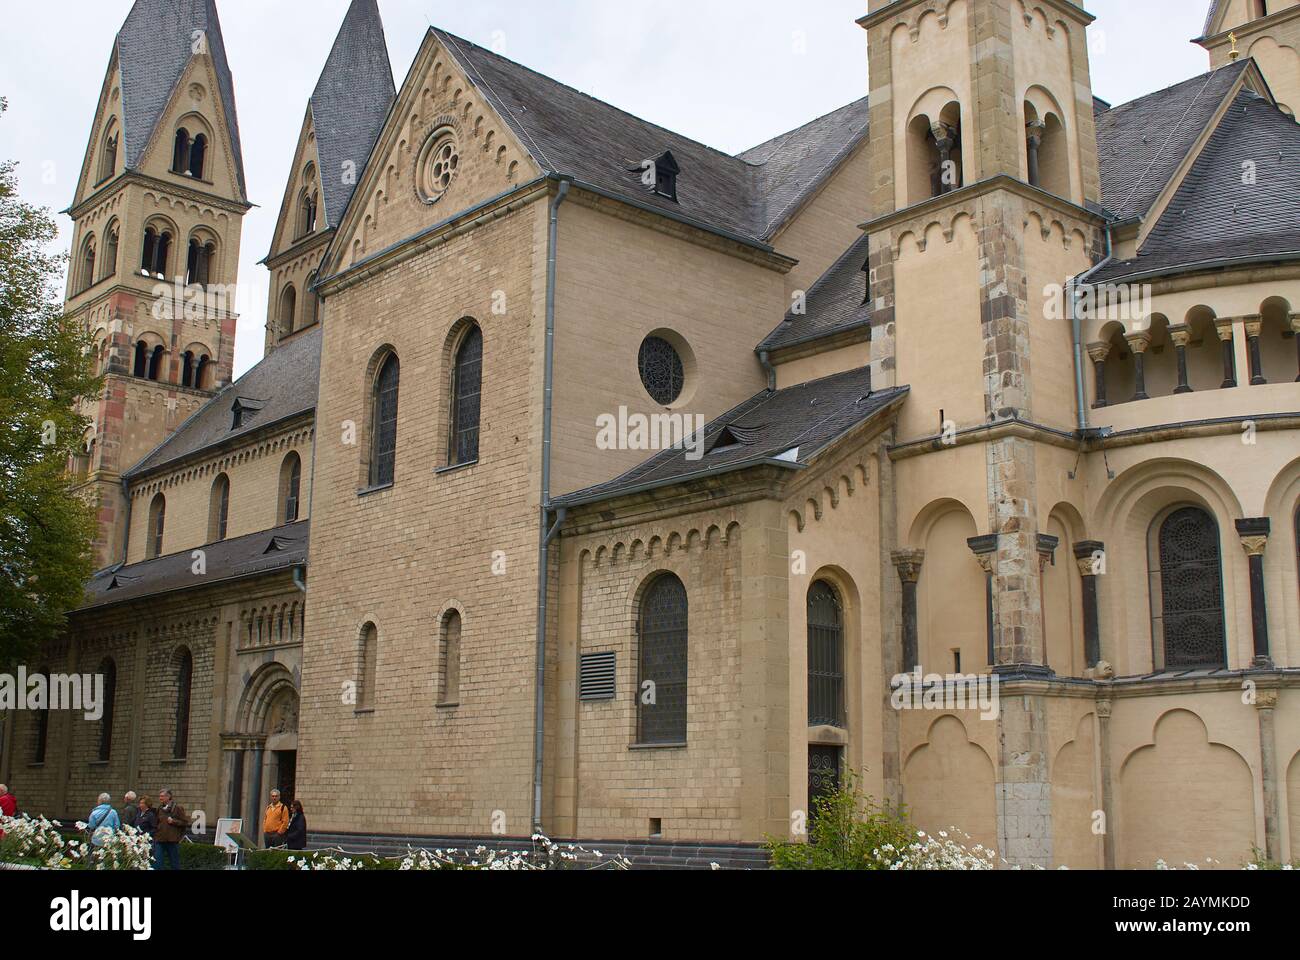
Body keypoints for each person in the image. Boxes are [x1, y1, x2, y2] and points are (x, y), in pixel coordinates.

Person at [154, 789, 189, 870]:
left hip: (172, 840)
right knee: (158, 863)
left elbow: (184, 822)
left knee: (174, 863)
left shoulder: (177, 808)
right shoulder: (159, 808)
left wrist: (173, 821)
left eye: (162, 796)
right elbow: (157, 822)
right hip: (160, 839)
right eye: (160, 796)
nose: (160, 798)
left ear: (168, 797)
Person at [136, 796, 158, 868]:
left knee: (146, 860)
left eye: (143, 803)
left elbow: (154, 828)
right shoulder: (139, 813)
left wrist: (147, 835)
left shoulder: (150, 815)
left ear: (147, 804)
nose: (140, 805)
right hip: (137, 839)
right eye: (140, 803)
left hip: (146, 841)